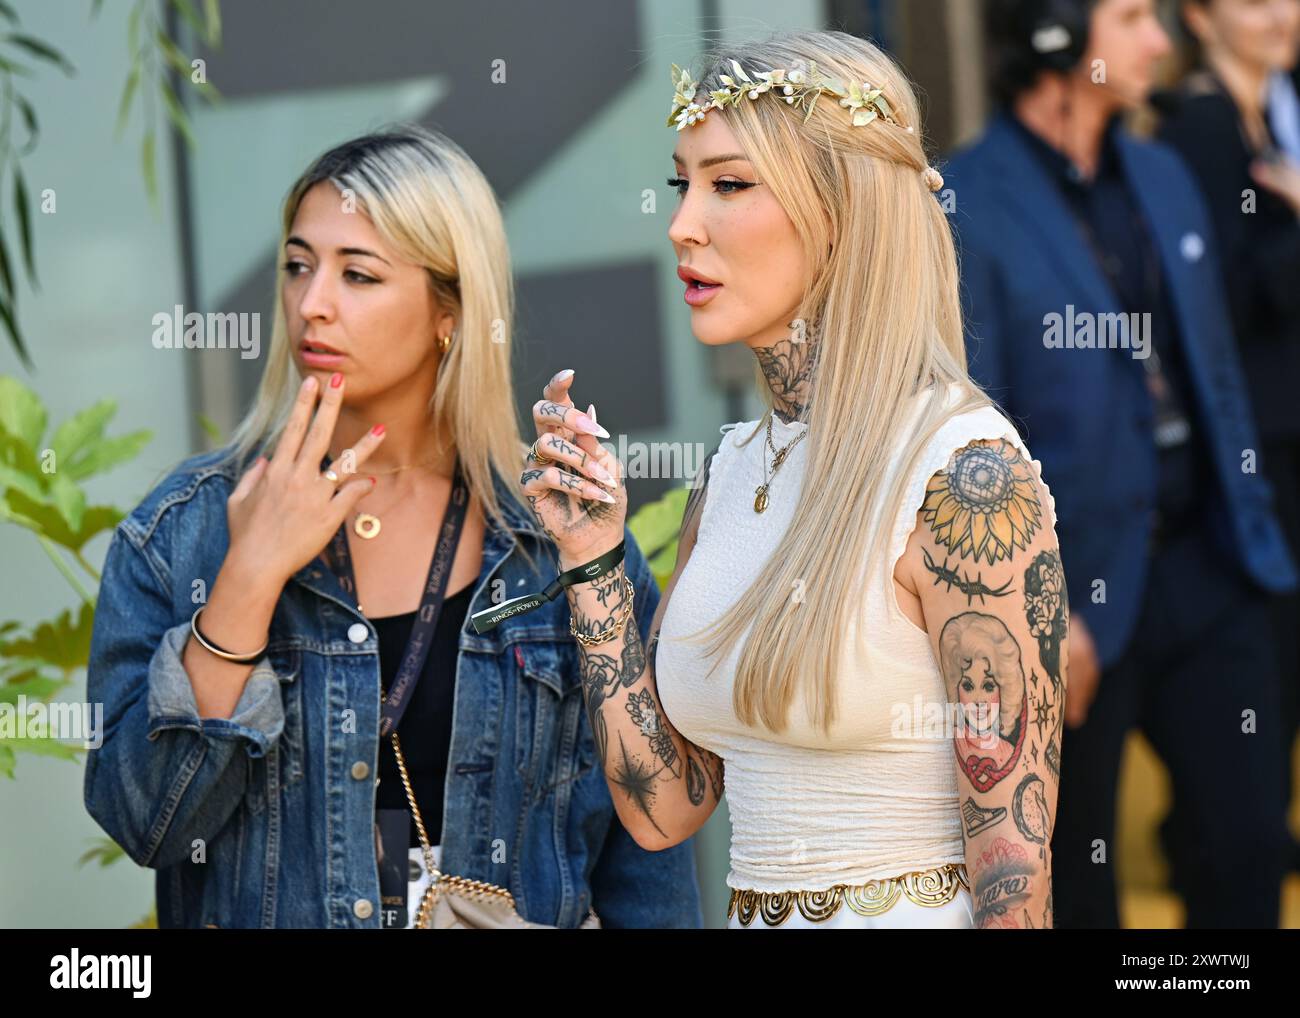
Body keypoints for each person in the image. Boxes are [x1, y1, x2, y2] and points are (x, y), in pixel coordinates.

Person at [83, 126, 702, 929]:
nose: (313, 304)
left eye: (358, 275)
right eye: (298, 266)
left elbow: (645, 857)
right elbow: (146, 821)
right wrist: (248, 578)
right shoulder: (183, 532)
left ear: (450, 309)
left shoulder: (559, 539)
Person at [519, 30, 1066, 929]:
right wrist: (592, 559)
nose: (682, 223)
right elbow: (664, 808)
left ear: (842, 209)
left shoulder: (963, 472)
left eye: (729, 183)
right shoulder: (732, 472)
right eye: (681, 182)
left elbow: (1014, 862)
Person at [945, 0, 1298, 927]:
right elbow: (971, 426)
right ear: (1057, 34)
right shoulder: (964, 200)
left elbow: (1214, 368)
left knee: (1251, 844)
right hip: (1075, 593)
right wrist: (1037, 607)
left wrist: (1250, 519)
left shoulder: (1162, 172)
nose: (1158, 42)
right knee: (1079, 883)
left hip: (1209, 563)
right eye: (1134, 16)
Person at [1153, 0, 1300, 874]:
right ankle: (1226, 839)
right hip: (1259, 452)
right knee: (1266, 668)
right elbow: (1231, 305)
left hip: (1280, 441)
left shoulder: (1267, 113)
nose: (1282, 13)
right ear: (1199, 18)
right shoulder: (1203, 130)